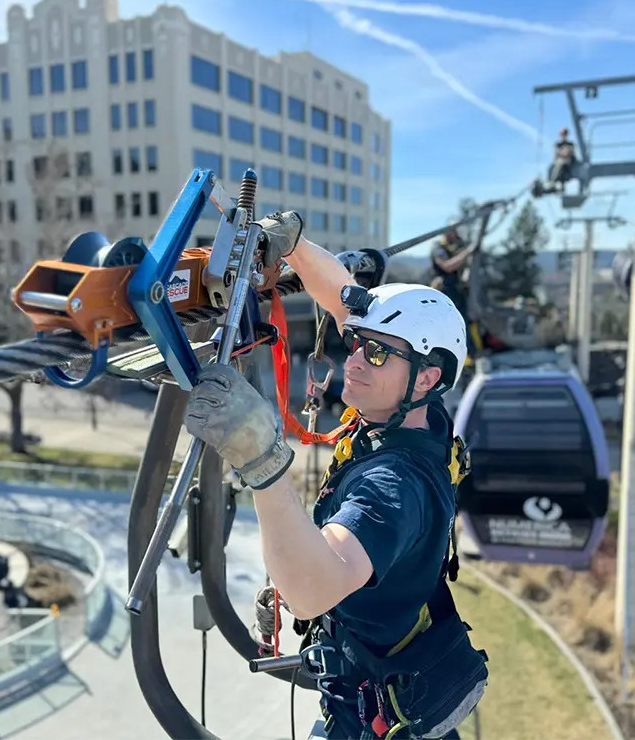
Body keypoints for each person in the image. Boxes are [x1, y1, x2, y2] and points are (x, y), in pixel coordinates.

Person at [184, 212, 488, 740]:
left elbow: (314, 589)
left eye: (375, 353)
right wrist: (296, 246)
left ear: (428, 377)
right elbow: (347, 298)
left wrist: (262, 461)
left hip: (370, 723)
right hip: (386, 686)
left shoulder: (394, 484)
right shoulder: (418, 417)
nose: (355, 362)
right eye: (355, 345)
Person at [430, 230, 475, 321]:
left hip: (457, 290)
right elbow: (447, 266)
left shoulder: (456, 247)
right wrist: (467, 252)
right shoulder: (438, 248)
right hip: (444, 290)